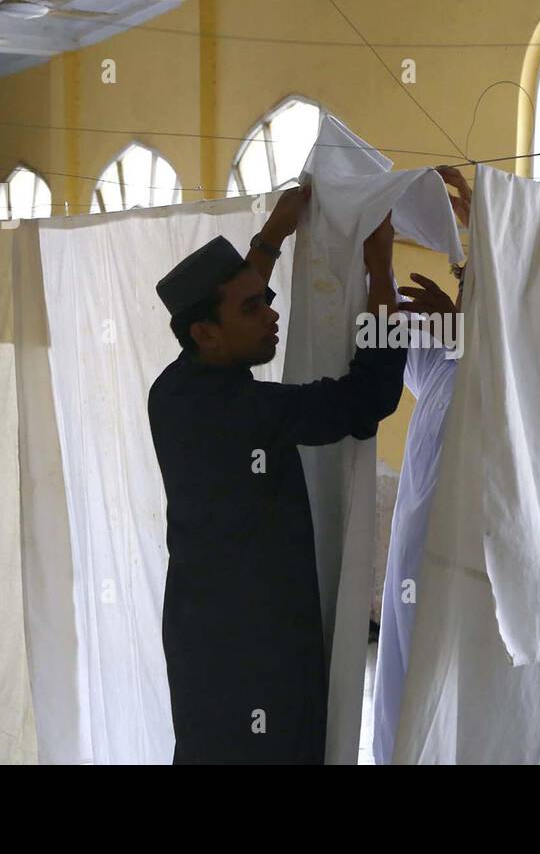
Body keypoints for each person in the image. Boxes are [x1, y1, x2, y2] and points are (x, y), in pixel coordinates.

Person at [148, 185, 408, 764]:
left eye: (264, 298)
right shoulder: (245, 413)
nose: (273, 313)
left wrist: (272, 238)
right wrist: (381, 272)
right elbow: (367, 398)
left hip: (202, 629)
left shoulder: (172, 388)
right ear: (206, 334)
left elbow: (230, 301)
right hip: (254, 648)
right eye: (254, 308)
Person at [372, 166, 471, 764]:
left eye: (471, 282)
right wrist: (374, 240)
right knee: (411, 701)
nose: (461, 290)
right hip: (414, 574)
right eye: (463, 278)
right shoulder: (445, 365)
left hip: (470, 584)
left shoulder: (519, 381)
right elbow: (384, 321)